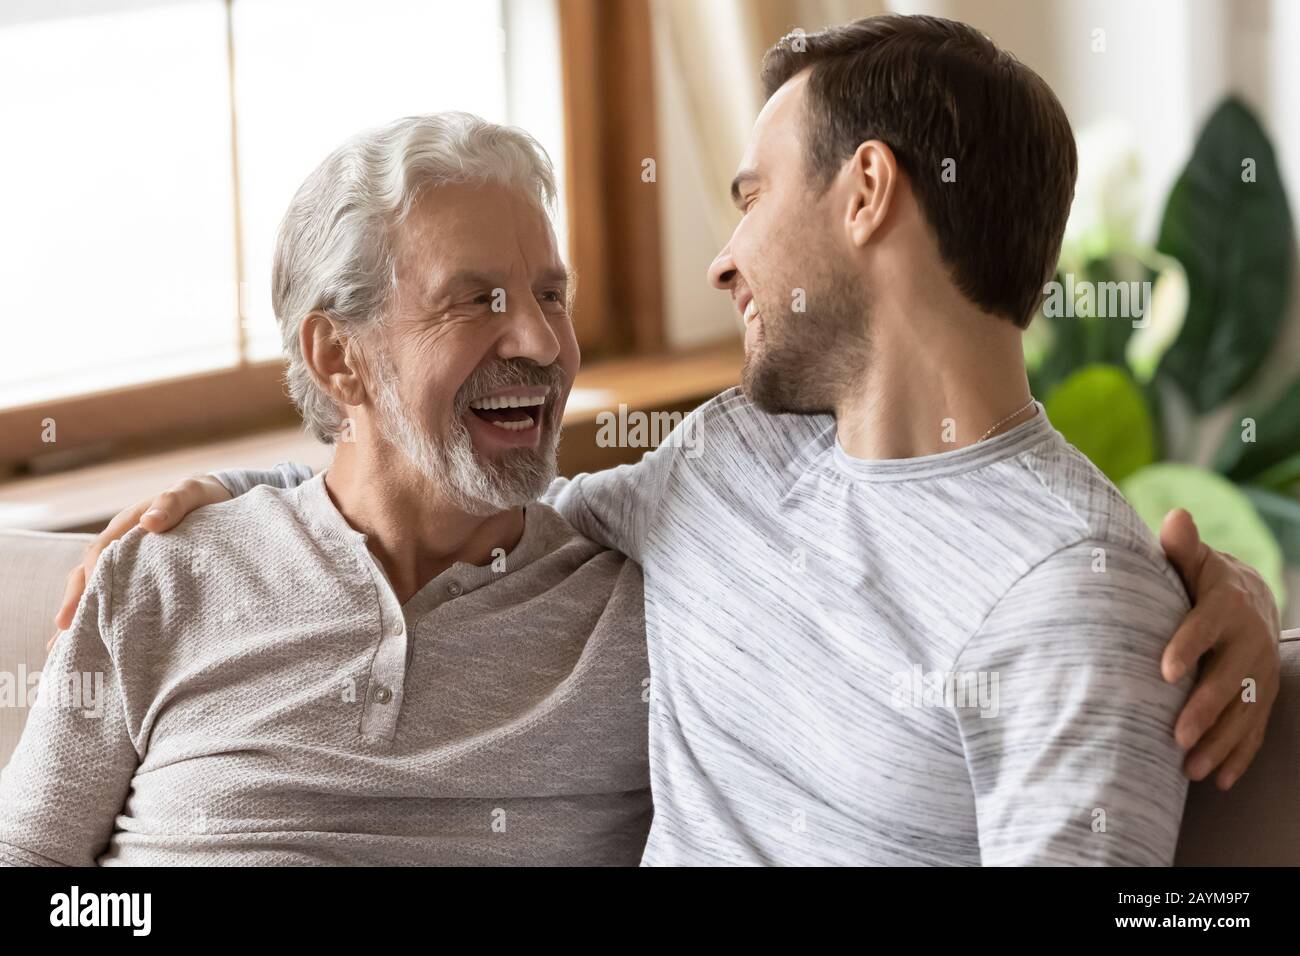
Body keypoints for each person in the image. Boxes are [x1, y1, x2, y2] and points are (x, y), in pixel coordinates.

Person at [50, 16, 1282, 865]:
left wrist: (1245, 623)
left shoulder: (1073, 594)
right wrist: (234, 494)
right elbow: (458, 497)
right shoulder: (729, 459)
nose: (721, 256)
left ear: (864, 194)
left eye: (751, 194)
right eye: (480, 295)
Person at [1, 114, 651, 866]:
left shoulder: (635, 614)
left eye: (551, 296)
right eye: (478, 301)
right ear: (339, 357)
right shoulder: (162, 576)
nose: (542, 343)